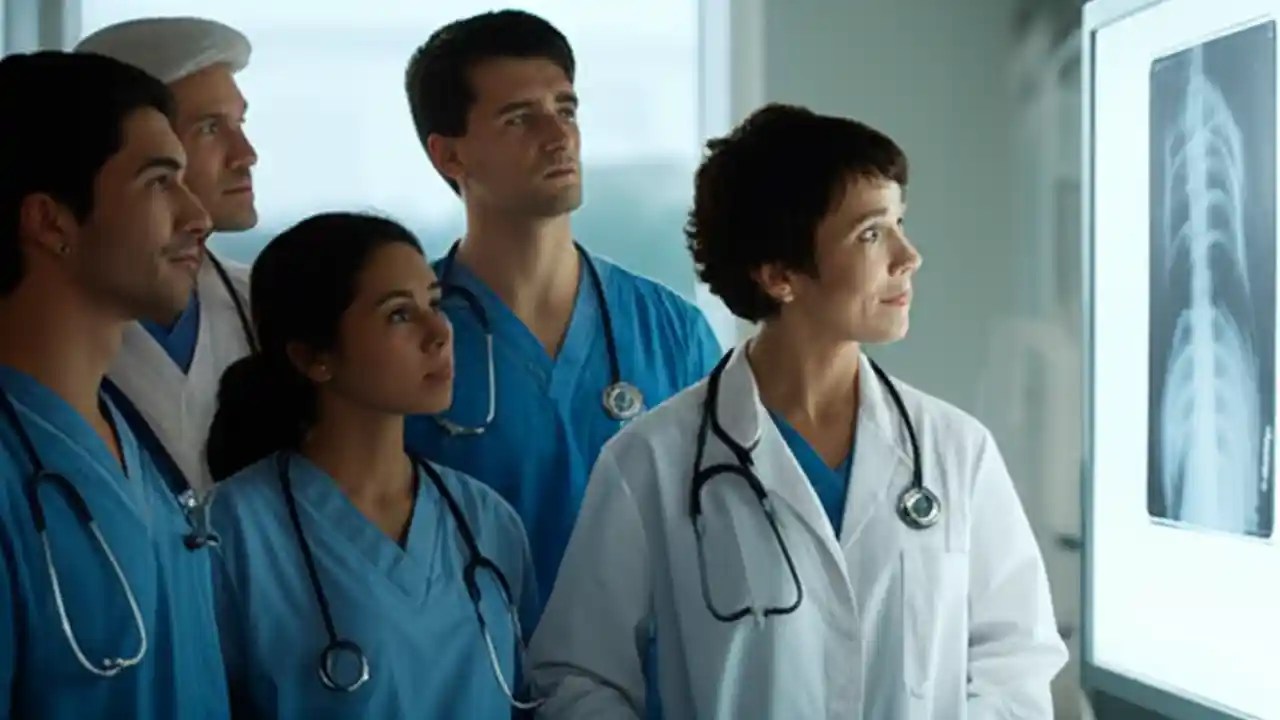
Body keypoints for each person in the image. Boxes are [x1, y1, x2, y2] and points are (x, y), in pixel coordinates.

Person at [528, 104, 1069, 718]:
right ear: (780, 274)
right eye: (871, 233)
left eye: (899, 223)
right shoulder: (653, 460)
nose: (907, 255)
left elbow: (1014, 660)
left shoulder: (953, 450)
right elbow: (577, 678)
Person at [403, 5, 722, 622]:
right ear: (449, 156)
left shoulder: (672, 332)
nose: (559, 137)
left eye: (566, 110)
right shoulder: (413, 336)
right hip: (474, 688)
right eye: (520, 118)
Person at [205, 212, 539, 718]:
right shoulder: (231, 535)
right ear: (313, 356)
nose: (440, 333)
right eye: (399, 315)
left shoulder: (485, 521)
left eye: (434, 303)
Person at [0, 51, 225, 719]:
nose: (199, 215)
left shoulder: (129, 451)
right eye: (159, 181)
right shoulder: (16, 469)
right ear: (51, 221)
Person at [74, 16, 259, 494]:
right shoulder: (56, 322)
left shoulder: (262, 303)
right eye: (210, 128)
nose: (246, 153)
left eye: (240, 122)